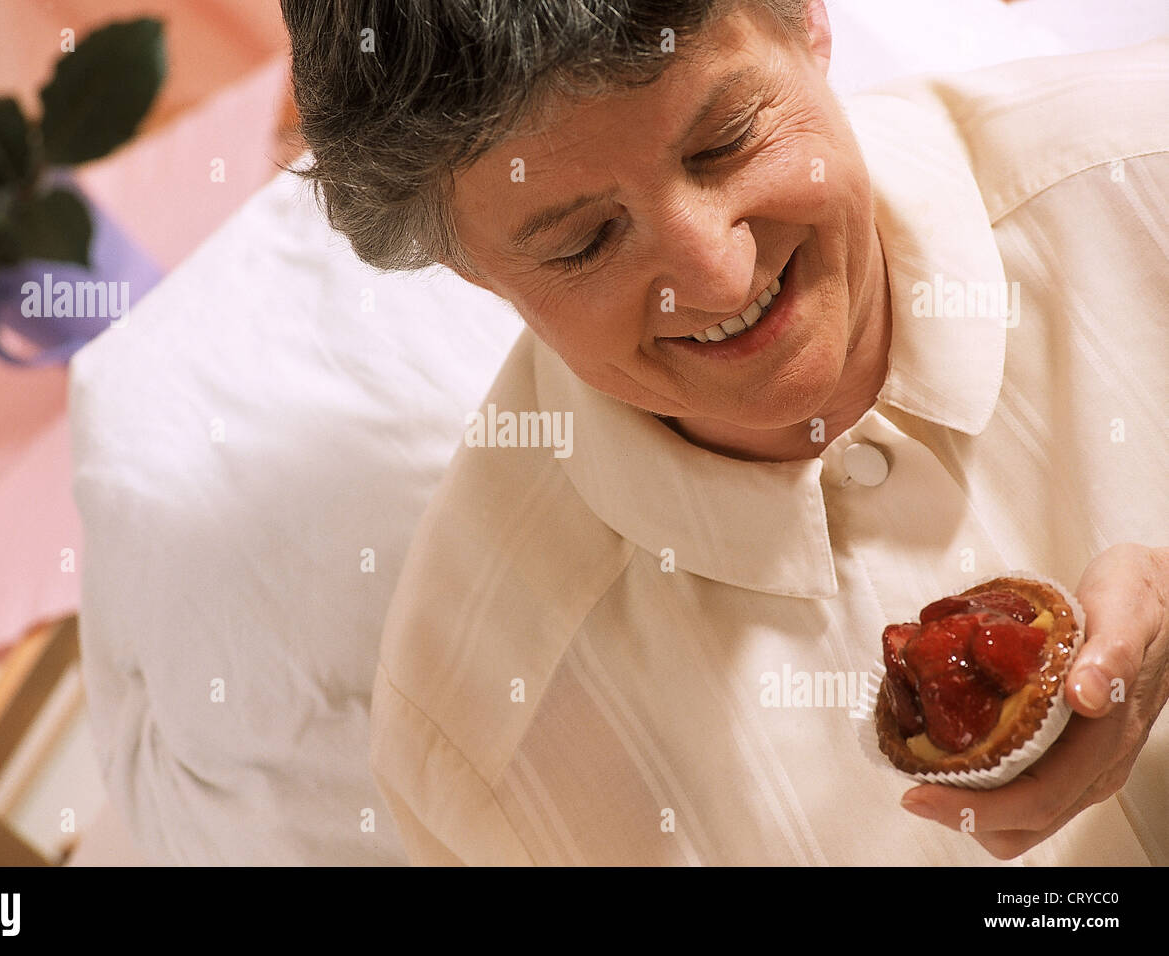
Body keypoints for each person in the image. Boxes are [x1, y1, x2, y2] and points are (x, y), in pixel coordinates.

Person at [282, 0, 1169, 863]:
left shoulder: (1147, 166)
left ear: (809, 20)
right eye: (586, 242)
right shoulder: (471, 751)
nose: (718, 273)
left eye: (728, 139)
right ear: (469, 269)